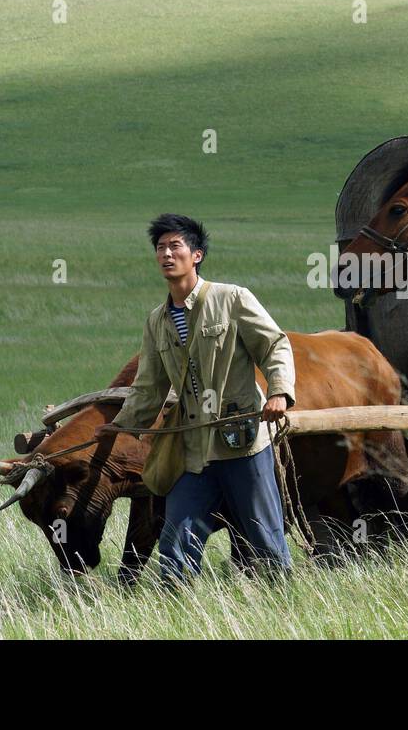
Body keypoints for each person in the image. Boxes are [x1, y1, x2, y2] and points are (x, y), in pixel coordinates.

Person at [93, 213, 296, 583]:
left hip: (242, 442)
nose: (167, 254)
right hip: (193, 453)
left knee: (264, 538)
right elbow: (149, 386)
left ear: (197, 254)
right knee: (176, 541)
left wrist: (280, 391)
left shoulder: (232, 299)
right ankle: (177, 614)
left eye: (175, 246)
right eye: (160, 248)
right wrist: (120, 426)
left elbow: (274, 345)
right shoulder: (157, 321)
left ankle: (284, 601)